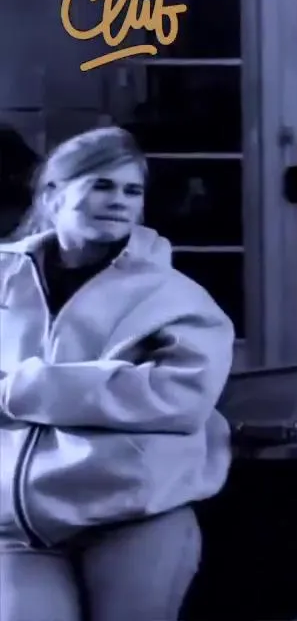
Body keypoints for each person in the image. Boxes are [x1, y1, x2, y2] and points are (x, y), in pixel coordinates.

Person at [0, 126, 236, 621]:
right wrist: (109, 382)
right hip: (16, 529)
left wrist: (25, 388)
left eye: (132, 191)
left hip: (135, 517)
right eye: (101, 185)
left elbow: (181, 398)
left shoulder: (176, 296)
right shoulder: (3, 277)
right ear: (53, 193)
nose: (119, 201)